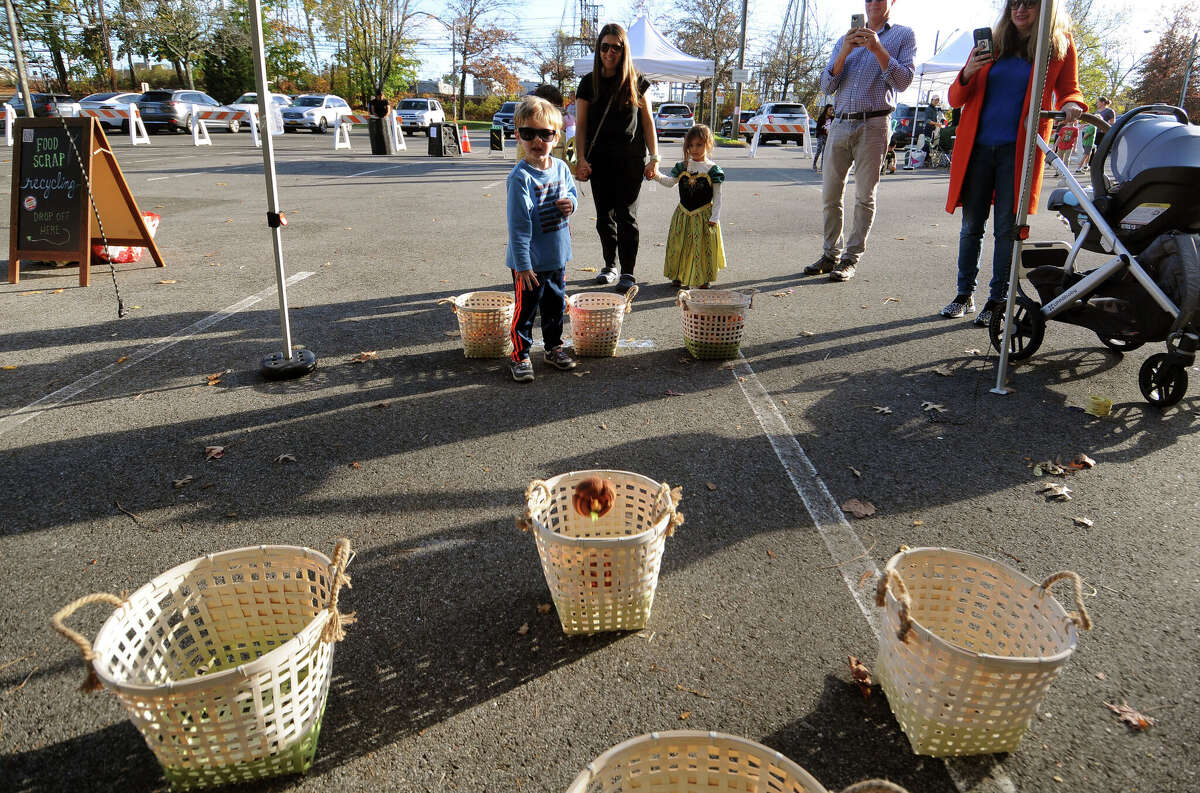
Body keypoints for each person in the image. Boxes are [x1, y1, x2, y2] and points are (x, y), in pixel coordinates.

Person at [939, 0, 1085, 326]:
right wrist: (967, 73)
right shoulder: (991, 43)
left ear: (1045, 9)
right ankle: (964, 294)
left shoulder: (1056, 46)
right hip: (977, 150)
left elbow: (1070, 91)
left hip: (1018, 152)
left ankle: (997, 300)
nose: (1020, 10)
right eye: (1014, 3)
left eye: (1029, 4)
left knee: (1007, 229)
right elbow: (954, 99)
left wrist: (1073, 104)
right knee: (971, 227)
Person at [803, 0, 915, 283]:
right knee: (830, 194)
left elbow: (903, 82)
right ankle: (830, 254)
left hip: (874, 123)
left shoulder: (903, 35)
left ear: (892, 3)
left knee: (864, 197)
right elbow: (827, 86)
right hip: (840, 121)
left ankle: (850, 259)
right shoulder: (846, 38)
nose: (873, 3)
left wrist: (877, 48)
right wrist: (844, 52)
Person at [575, 22, 660, 292]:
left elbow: (648, 123)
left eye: (616, 47)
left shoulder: (637, 81)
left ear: (624, 50)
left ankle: (628, 272)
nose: (610, 52)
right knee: (604, 217)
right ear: (598, 49)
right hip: (599, 161)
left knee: (627, 217)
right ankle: (609, 265)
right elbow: (581, 126)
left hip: (630, 161)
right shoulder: (588, 83)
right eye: (605, 47)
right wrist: (581, 159)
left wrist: (654, 157)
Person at [504, 96, 580, 383]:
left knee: (555, 306)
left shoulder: (560, 167)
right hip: (529, 264)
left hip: (557, 256)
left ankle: (553, 347)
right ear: (518, 135)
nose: (537, 140)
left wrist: (571, 204)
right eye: (528, 133)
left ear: (556, 136)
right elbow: (519, 227)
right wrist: (523, 266)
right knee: (526, 310)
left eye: (545, 133)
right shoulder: (519, 178)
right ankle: (520, 355)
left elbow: (573, 194)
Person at [651, 124, 726, 288]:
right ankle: (677, 274)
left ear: (708, 144)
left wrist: (715, 217)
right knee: (679, 244)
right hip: (682, 214)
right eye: (691, 145)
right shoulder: (683, 166)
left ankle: (703, 277)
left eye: (699, 145)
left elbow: (718, 197)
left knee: (702, 246)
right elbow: (670, 182)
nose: (694, 149)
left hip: (704, 215)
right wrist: (655, 175)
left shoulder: (713, 170)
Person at [812, 104, 834, 171]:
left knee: (825, 152)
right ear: (826, 109)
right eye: (830, 109)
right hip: (821, 136)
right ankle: (814, 164)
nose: (831, 111)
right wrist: (825, 131)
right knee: (819, 150)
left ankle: (822, 167)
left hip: (828, 137)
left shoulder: (833, 118)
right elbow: (818, 128)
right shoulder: (821, 117)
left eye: (832, 110)